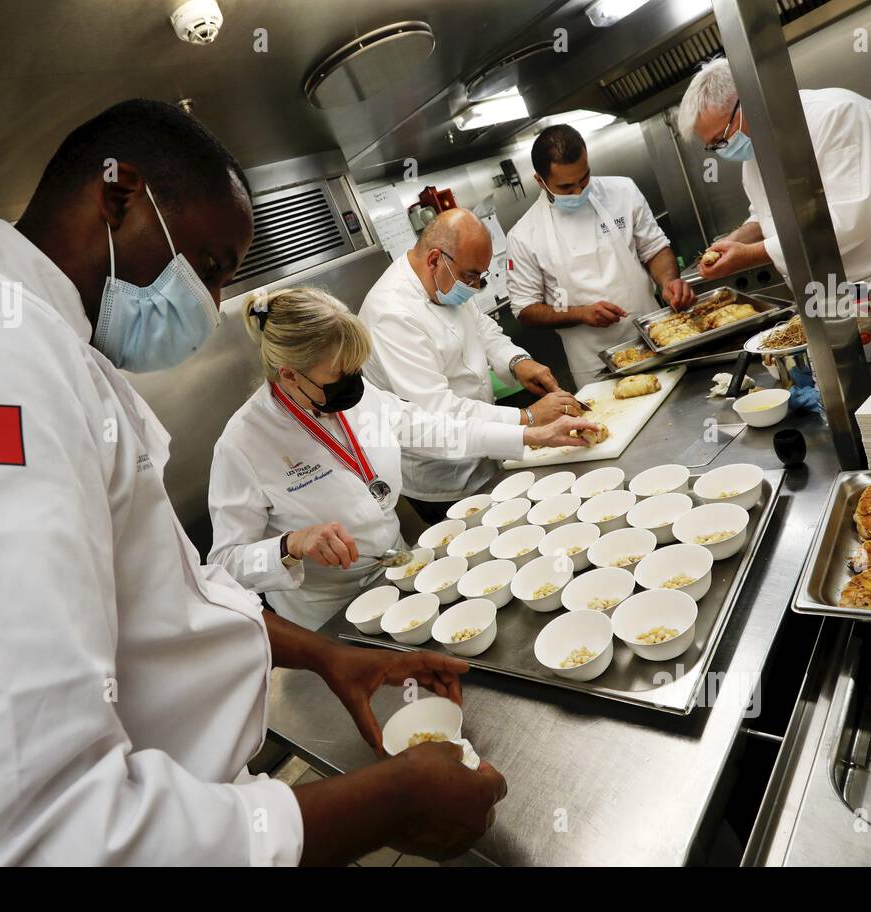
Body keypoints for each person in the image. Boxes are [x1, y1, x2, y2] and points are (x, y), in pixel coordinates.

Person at [0, 99, 510, 866]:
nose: (212, 304)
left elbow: (164, 598)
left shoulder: (38, 347)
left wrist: (330, 658)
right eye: (210, 267)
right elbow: (27, 838)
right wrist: (392, 803)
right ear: (120, 197)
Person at [209, 287, 595, 630]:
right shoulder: (243, 444)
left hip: (398, 575)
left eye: (356, 369)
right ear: (289, 375)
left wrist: (529, 434)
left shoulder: (361, 399)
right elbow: (225, 563)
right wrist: (290, 545)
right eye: (337, 376)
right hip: (328, 615)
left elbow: (437, 429)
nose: (353, 385)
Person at [358, 208, 582, 524]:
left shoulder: (449, 279)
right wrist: (527, 417)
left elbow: (483, 330)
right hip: (444, 475)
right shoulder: (391, 314)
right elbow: (438, 412)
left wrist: (517, 362)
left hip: (486, 447)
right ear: (435, 259)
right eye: (470, 276)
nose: (475, 286)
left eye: (481, 276)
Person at [677, 57, 871, 286]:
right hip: (827, 295)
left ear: (746, 102)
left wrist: (751, 255)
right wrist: (734, 241)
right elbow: (765, 215)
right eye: (714, 146)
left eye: (722, 138)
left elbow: (849, 223)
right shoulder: (757, 150)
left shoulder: (837, 115)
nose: (724, 150)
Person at [506, 123, 696, 389]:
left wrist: (668, 283)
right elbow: (526, 309)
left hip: (659, 337)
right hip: (594, 365)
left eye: (584, 179)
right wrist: (581, 314)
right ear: (540, 180)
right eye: (566, 186)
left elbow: (655, 249)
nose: (579, 191)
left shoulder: (623, 192)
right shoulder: (524, 235)